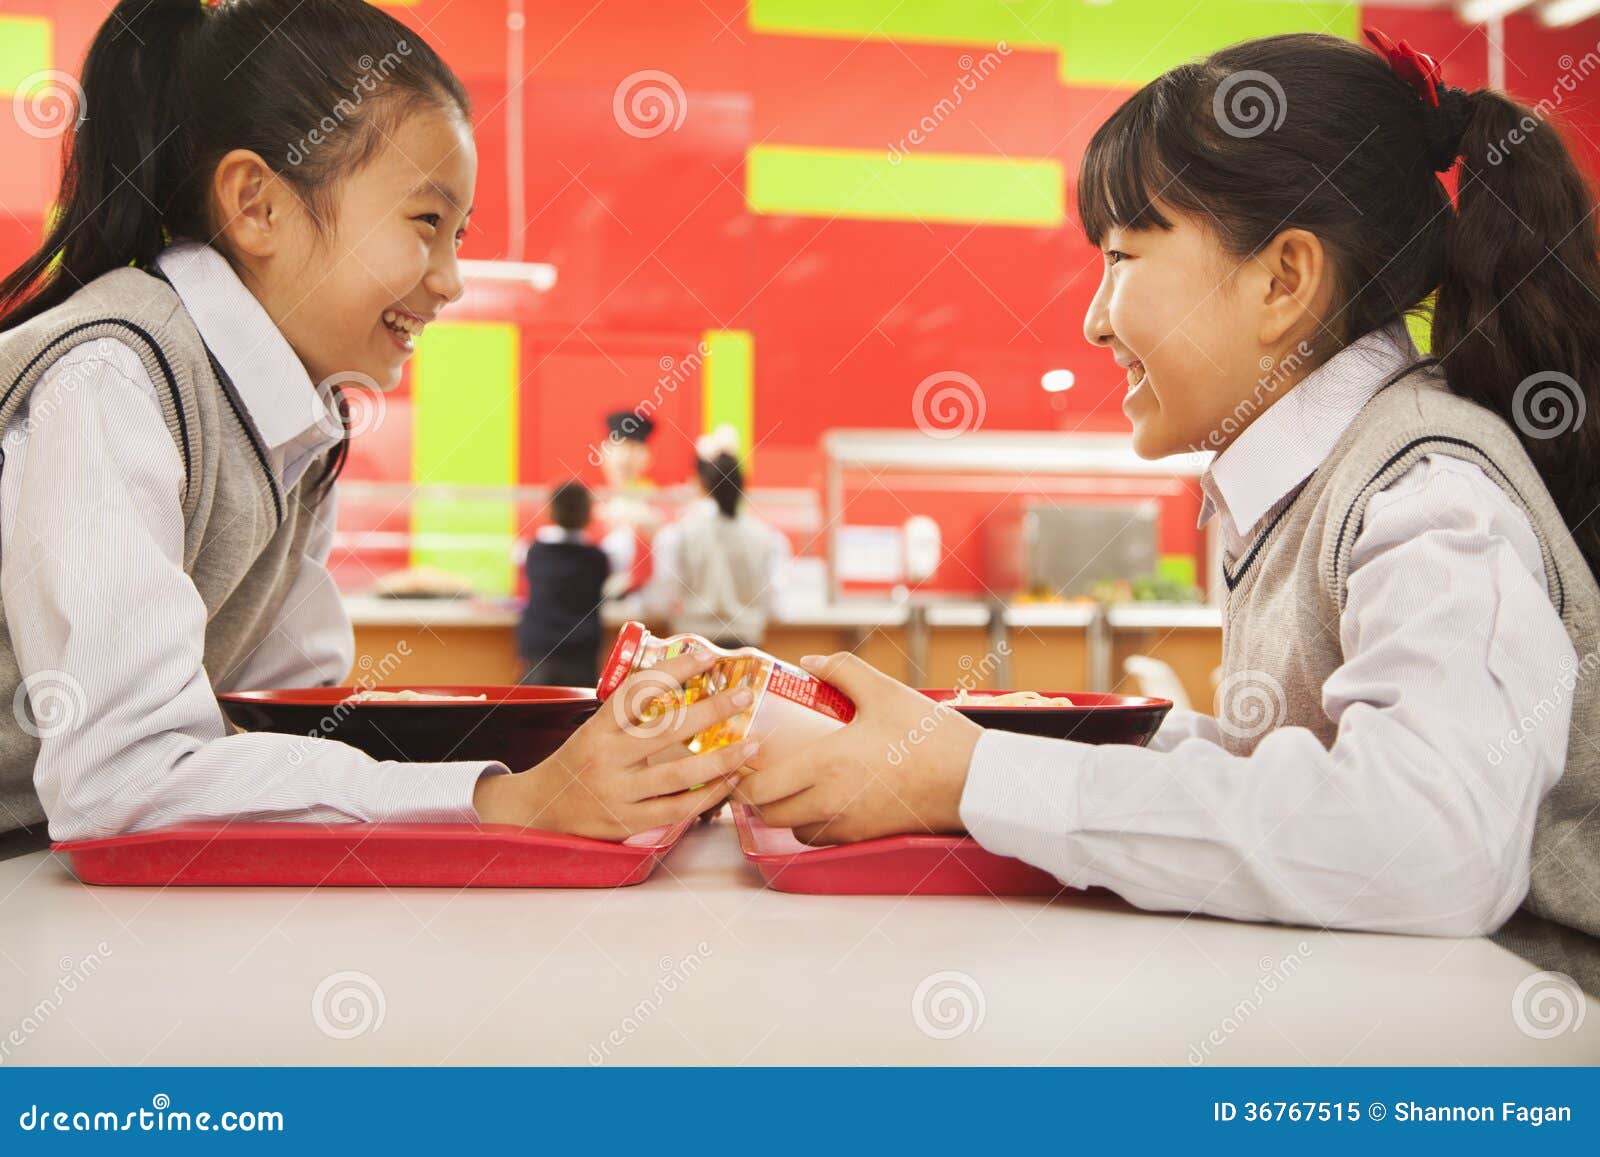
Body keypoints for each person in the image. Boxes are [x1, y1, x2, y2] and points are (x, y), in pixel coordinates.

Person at [733, 31, 1600, 993]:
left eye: (1122, 256)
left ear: (1283, 280)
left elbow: (1433, 843)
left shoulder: (1427, 497)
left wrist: (975, 777)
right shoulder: (1300, 487)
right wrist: (993, 747)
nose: (1095, 318)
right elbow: (1297, 771)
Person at [0, 0, 749, 845]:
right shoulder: (112, 381)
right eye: (427, 224)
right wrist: (504, 799)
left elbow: (288, 718)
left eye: (460, 234)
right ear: (258, 205)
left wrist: (584, 765)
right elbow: (122, 780)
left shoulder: (302, 420)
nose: (451, 280)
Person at [642, 432, 791, 650]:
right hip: (747, 649)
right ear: (742, 487)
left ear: (700, 482)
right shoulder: (769, 538)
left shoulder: (677, 534)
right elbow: (777, 605)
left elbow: (663, 595)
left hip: (692, 650)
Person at [519, 481, 611, 687]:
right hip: (581, 649)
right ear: (588, 513)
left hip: (541, 647)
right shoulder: (597, 558)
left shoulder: (535, 553)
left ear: (550, 512)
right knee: (580, 710)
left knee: (535, 708)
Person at [595, 410, 663, 599]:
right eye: (617, 447)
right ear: (604, 453)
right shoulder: (592, 506)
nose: (624, 458)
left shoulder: (657, 507)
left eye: (632, 448)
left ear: (646, 457)